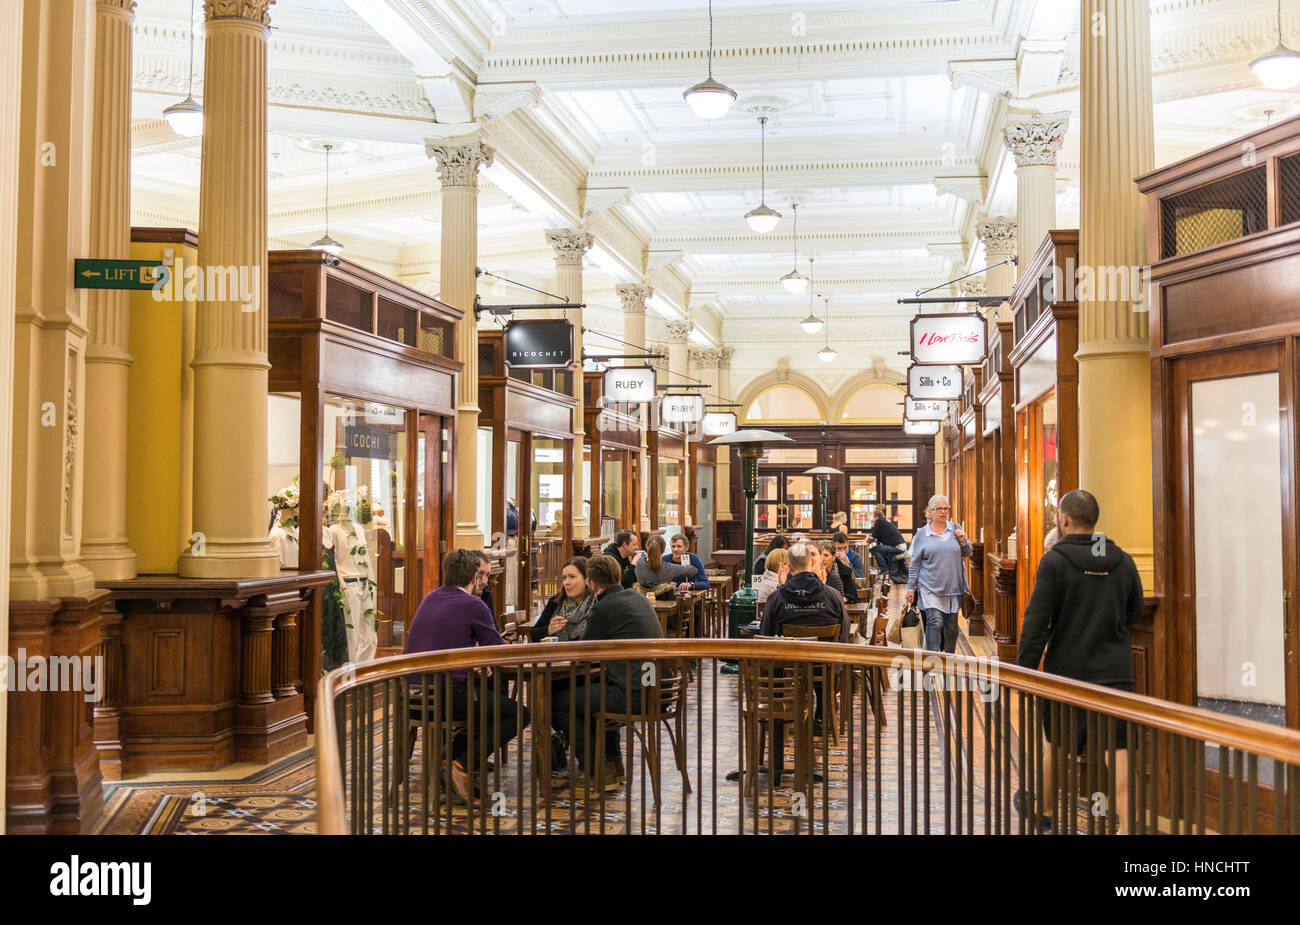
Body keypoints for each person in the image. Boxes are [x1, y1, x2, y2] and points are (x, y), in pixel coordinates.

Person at [1015, 489, 1142, 834]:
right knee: (1119, 750)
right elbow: (1134, 611)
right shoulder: (1121, 559)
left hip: (1066, 672)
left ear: (1064, 519)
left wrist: (1024, 670)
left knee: (1056, 743)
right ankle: (1127, 827)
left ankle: (1045, 812)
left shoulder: (1054, 561)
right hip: (1115, 671)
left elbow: (1036, 621)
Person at [405, 548, 530, 803]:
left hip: (413, 701)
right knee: (518, 714)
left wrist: (476, 659)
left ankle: (449, 762)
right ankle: (459, 766)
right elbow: (499, 652)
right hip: (447, 697)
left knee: (486, 706)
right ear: (474, 577)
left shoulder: (430, 597)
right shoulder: (473, 603)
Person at [552, 555, 664, 786]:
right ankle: (614, 765)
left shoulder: (605, 607)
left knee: (560, 702)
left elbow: (584, 652)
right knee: (592, 695)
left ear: (593, 584)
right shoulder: (637, 598)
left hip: (634, 695)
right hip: (658, 690)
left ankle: (599, 770)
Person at [759, 542, 850, 735]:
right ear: (812, 563)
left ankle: (780, 717)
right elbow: (844, 631)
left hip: (787, 668)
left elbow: (765, 633)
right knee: (823, 665)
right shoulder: (832, 596)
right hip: (824, 665)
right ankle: (823, 717)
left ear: (789, 567)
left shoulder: (776, 598)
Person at [905, 495, 972, 653]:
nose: (943, 512)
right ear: (931, 511)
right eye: (939, 508)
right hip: (929, 586)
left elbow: (968, 552)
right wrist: (910, 588)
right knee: (935, 622)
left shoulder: (955, 529)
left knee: (951, 627)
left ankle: (948, 658)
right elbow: (915, 563)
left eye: (946, 508)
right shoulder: (922, 534)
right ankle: (932, 659)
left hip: (953, 587)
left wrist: (964, 541)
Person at [529, 556, 596, 642]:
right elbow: (533, 634)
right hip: (556, 653)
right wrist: (549, 629)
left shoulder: (596, 604)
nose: (566, 582)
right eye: (564, 578)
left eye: (572, 577)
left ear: (586, 579)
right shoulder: (555, 602)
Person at [634, 535, 699, 600]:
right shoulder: (668, 567)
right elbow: (693, 571)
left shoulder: (639, 563)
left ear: (647, 548)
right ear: (663, 550)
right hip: (666, 605)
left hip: (642, 604)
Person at [870, 505, 907, 580]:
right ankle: (885, 569)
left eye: (873, 517)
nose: (872, 519)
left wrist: (873, 525)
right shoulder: (884, 522)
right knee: (879, 550)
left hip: (897, 547)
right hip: (901, 546)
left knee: (874, 549)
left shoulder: (879, 521)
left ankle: (884, 570)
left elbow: (874, 535)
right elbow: (879, 538)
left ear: (876, 516)